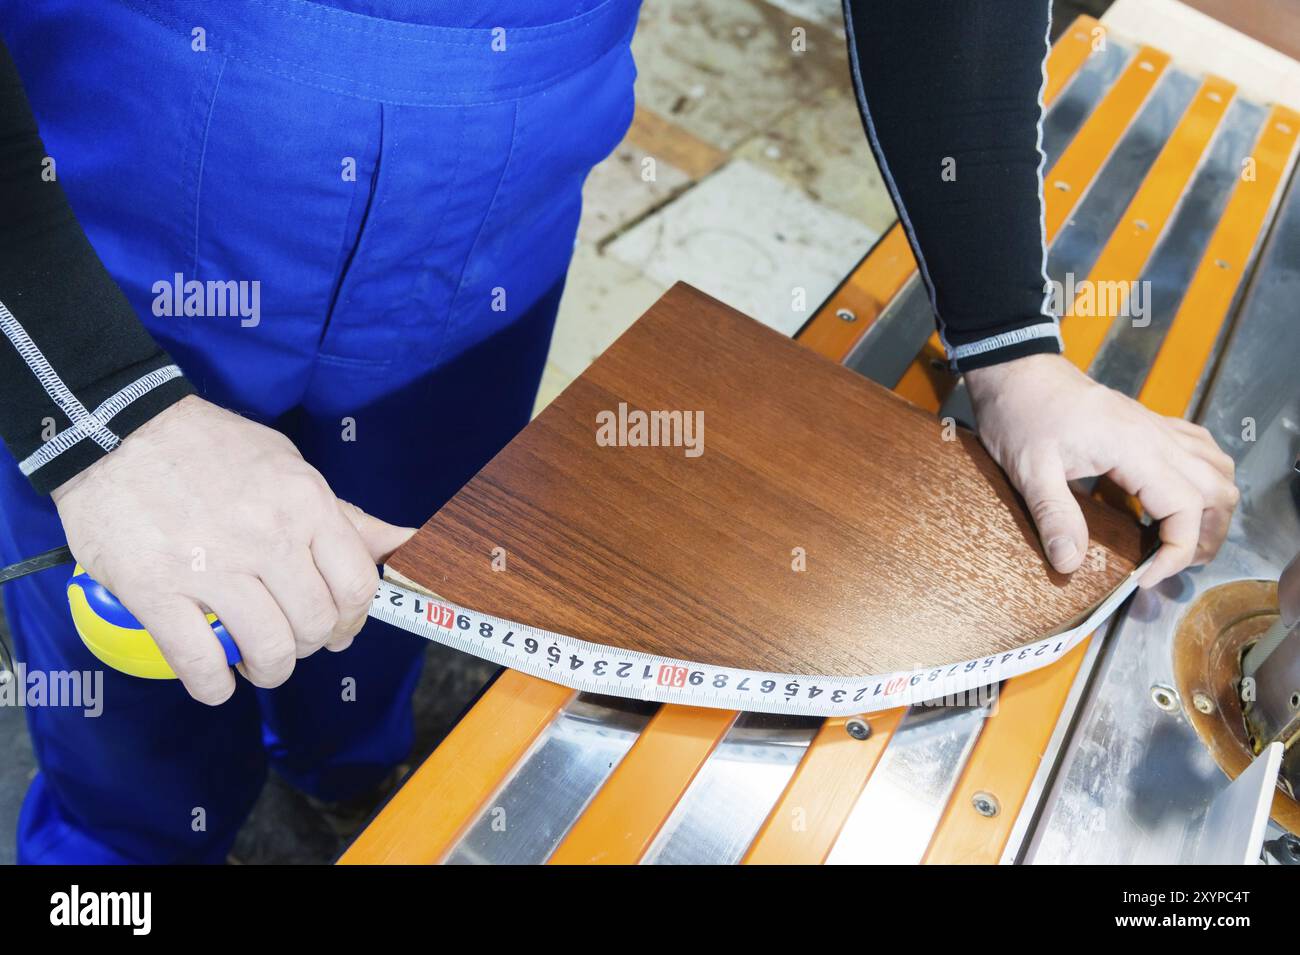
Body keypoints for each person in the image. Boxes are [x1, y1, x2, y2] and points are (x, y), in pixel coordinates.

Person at [0, 0, 1237, 864]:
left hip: (487, 239)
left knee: (405, 580)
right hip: (101, 226)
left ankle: (347, 768)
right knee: (132, 693)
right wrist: (97, 413)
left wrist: (1007, 339)